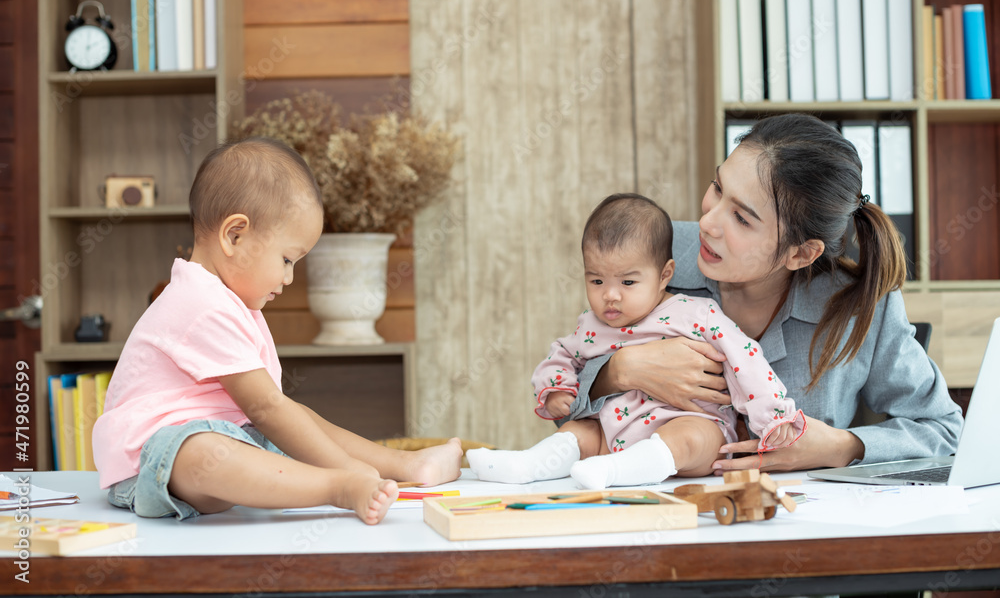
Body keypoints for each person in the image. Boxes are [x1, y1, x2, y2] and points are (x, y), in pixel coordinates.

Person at [92, 137, 462, 524]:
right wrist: (347, 470)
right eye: (287, 259)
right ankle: (337, 486)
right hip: (149, 461)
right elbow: (265, 409)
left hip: (227, 438)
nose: (288, 278)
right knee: (207, 448)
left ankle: (404, 465)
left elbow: (271, 411)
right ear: (234, 236)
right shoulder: (198, 302)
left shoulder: (229, 299)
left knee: (297, 417)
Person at [564, 114, 962, 474]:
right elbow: (564, 404)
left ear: (801, 253)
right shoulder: (652, 259)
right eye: (717, 188)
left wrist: (842, 446)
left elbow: (943, 430)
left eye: (741, 217)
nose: (708, 221)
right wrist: (618, 372)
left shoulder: (863, 307)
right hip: (659, 515)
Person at [466, 194, 805, 489]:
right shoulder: (592, 323)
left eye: (628, 282)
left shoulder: (696, 314)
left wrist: (773, 416)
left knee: (691, 437)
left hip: (690, 424)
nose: (610, 296)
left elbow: (746, 359)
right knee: (578, 431)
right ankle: (527, 466)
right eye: (596, 280)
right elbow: (563, 354)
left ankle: (619, 470)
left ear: (664, 275)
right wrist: (556, 387)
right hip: (614, 431)